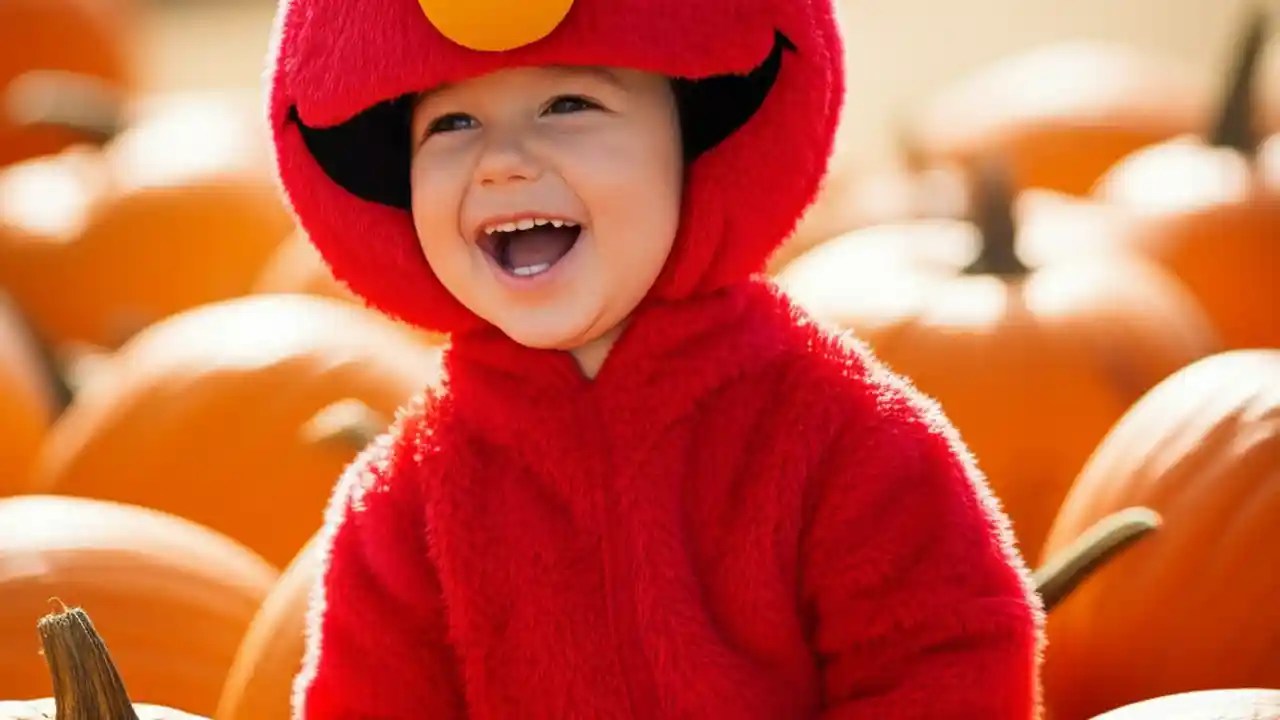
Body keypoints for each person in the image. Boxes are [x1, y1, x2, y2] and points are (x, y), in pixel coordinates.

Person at [266, 0, 1045, 716]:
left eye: (568, 105)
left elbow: (947, 660)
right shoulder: (409, 501)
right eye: (452, 123)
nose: (501, 161)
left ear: (692, 141)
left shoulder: (837, 433)